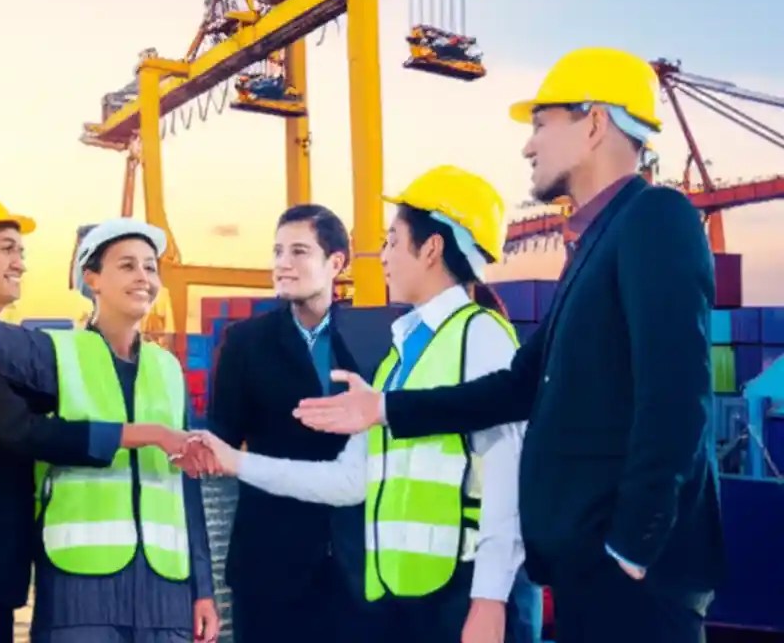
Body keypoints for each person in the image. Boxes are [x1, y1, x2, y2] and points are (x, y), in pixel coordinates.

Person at [293, 47, 725, 643]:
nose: (528, 146)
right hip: (589, 573)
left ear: (595, 123)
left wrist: (631, 546)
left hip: (632, 581)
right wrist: (384, 409)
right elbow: (519, 387)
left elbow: (677, 394)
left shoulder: (656, 217)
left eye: (541, 124)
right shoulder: (594, 246)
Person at [196, 167, 539, 643]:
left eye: (392, 241)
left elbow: (507, 479)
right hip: (410, 599)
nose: (382, 257)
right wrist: (236, 461)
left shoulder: (478, 336)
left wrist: (490, 599)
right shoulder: (399, 357)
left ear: (431, 249)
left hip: (463, 599)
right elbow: (350, 480)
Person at [0, 192, 203, 642]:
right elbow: (24, 432)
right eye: (7, 249)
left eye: (21, 252)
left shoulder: (9, 350)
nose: (20, 263)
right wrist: (147, 433)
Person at [204, 204, 368, 643]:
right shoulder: (244, 343)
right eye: (277, 251)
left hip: (356, 565)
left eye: (298, 251)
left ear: (336, 262)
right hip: (269, 564)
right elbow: (221, 441)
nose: (282, 263)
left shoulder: (373, 339)